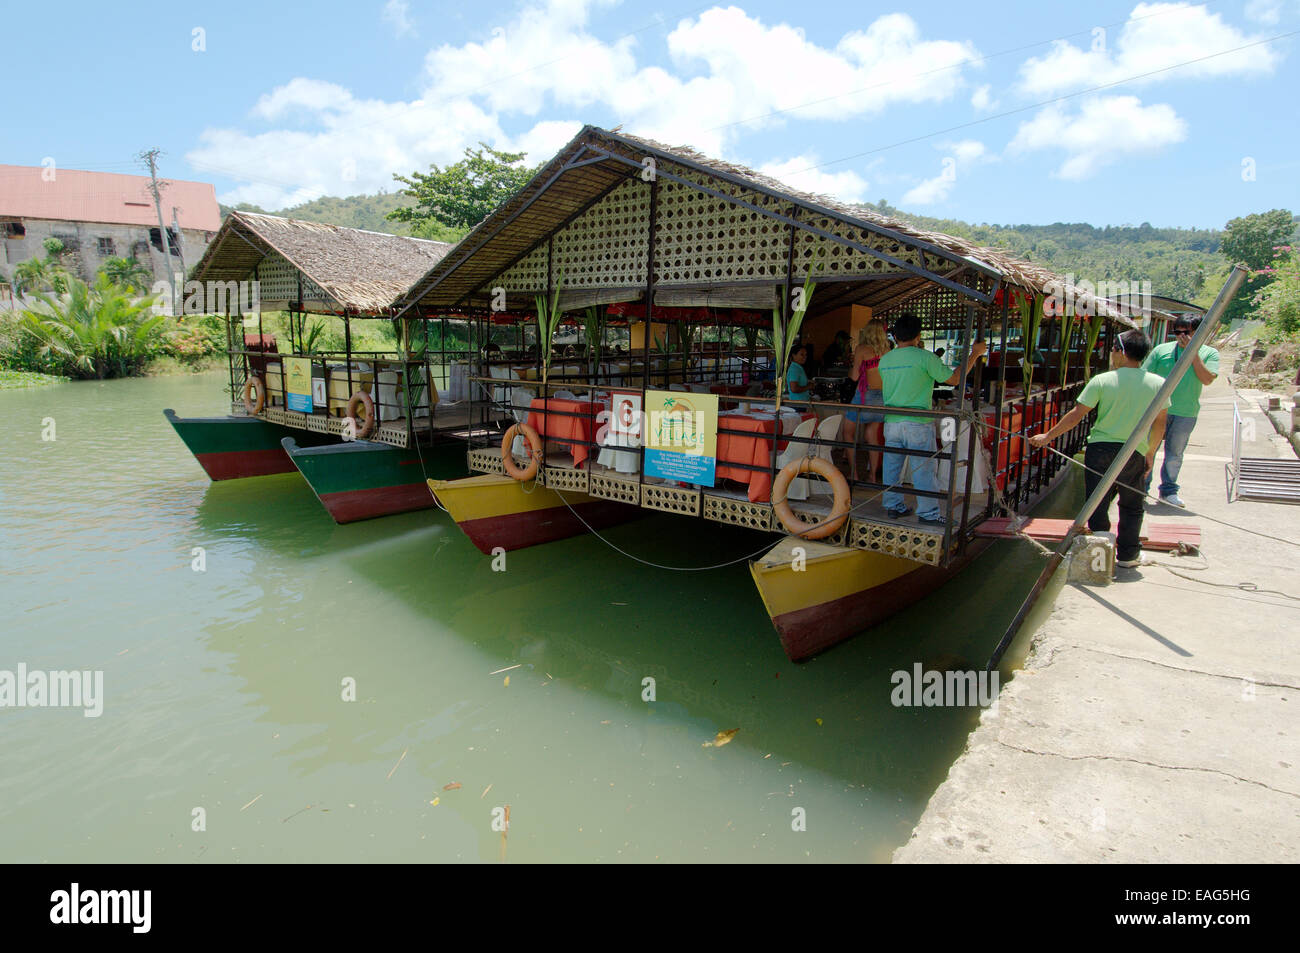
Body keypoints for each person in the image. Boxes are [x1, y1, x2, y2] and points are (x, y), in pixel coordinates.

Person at [1029, 329, 1168, 568]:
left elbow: (1076, 415)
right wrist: (1151, 453)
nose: (1111, 354)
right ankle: (1127, 556)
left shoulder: (1103, 380)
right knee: (1132, 505)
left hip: (1100, 449)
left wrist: (1048, 436)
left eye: (1113, 349)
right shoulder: (1158, 384)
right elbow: (1160, 424)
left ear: (1121, 352)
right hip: (1134, 451)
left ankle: (1100, 552)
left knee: (1097, 502)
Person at [878, 313, 987, 523]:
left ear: (894, 335)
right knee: (923, 470)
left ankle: (893, 506)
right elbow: (955, 379)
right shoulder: (925, 357)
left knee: (892, 467)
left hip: (891, 421)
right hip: (918, 421)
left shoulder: (885, 359)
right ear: (918, 336)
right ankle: (928, 513)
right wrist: (974, 354)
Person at [1141, 315, 1219, 506]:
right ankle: (1141, 489)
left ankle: (1168, 491)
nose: (1181, 336)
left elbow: (1207, 379)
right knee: (1147, 449)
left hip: (1185, 412)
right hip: (1157, 410)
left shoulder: (1210, 353)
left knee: (1175, 453)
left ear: (1199, 332)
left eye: (1187, 332)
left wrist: (1193, 353)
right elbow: (1143, 376)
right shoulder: (1161, 350)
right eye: (1177, 332)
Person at [841, 320, 889, 482]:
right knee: (872, 436)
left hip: (864, 396)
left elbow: (854, 376)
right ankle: (872, 476)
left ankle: (854, 473)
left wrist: (850, 369)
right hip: (882, 397)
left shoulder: (861, 349)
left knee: (847, 433)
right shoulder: (887, 350)